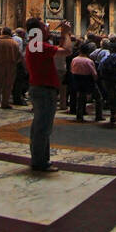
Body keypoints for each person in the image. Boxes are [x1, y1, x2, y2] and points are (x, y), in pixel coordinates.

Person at [26, 18, 72, 172]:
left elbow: (55, 48)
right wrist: (66, 33)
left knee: (39, 126)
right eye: (43, 27)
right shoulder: (38, 45)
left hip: (38, 87)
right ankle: (39, 162)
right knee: (43, 128)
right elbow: (67, 51)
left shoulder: (35, 45)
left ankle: (40, 159)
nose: (47, 28)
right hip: (44, 90)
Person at [70, 45, 103, 122]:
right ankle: (98, 116)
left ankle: (79, 116)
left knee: (80, 99)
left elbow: (72, 70)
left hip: (78, 81)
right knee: (98, 98)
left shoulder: (74, 60)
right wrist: (95, 80)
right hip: (88, 81)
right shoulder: (89, 61)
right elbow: (94, 74)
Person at [0, 27, 21, 109]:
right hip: (11, 66)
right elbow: (19, 56)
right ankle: (5, 103)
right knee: (8, 86)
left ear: (2, 32)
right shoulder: (14, 43)